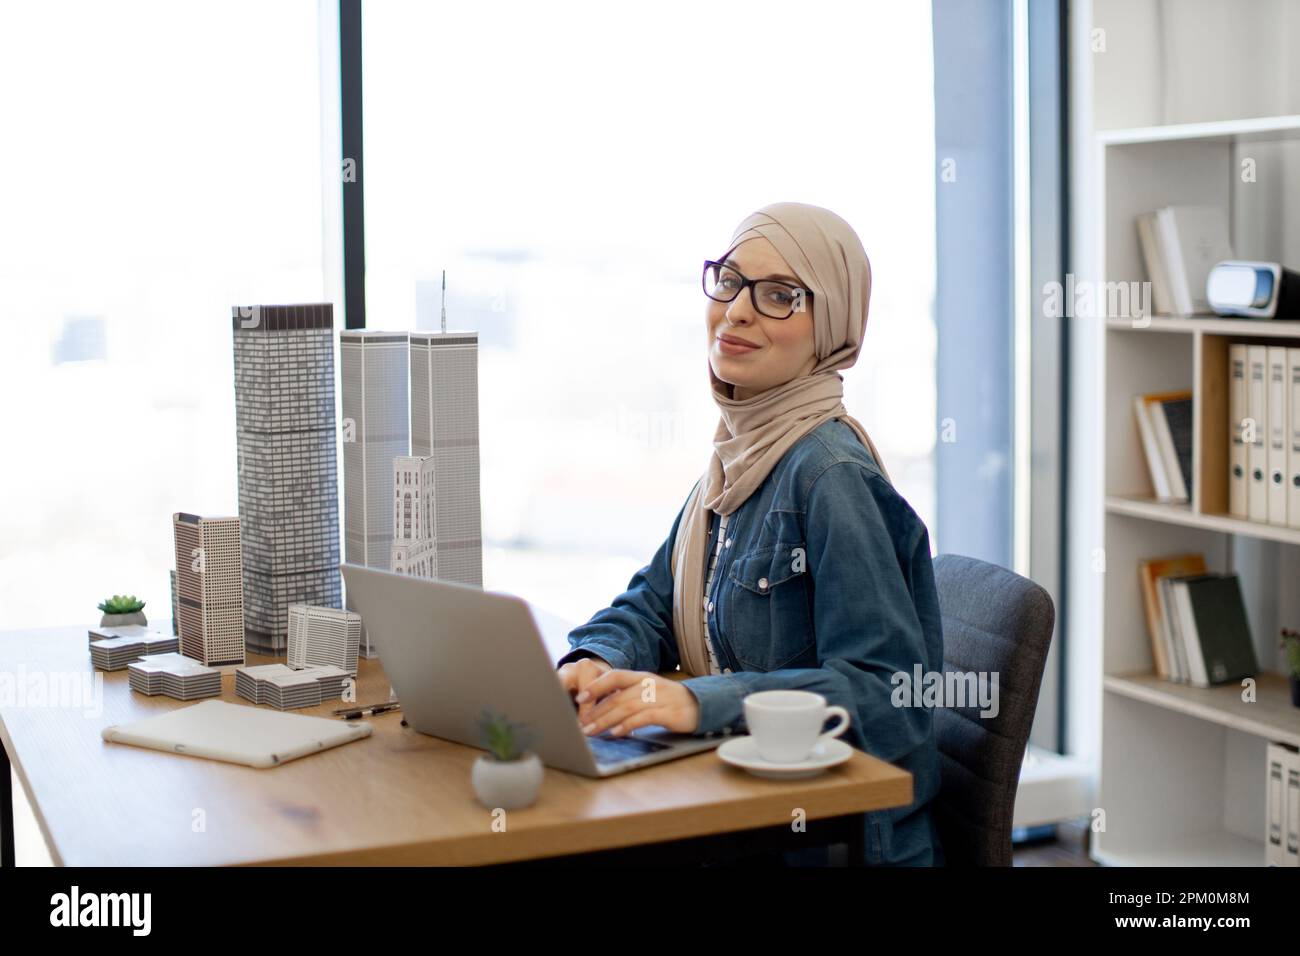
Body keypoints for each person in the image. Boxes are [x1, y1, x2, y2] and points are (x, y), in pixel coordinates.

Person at [556, 202, 945, 866]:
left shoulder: (829, 477)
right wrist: (593, 663)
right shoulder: (735, 458)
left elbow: (890, 693)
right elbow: (650, 605)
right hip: (747, 805)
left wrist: (694, 703)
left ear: (833, 327)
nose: (736, 310)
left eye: (779, 296)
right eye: (730, 281)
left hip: (834, 840)